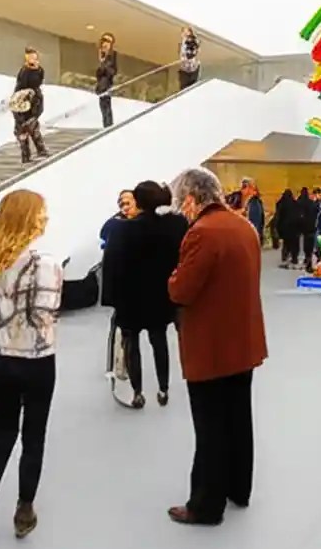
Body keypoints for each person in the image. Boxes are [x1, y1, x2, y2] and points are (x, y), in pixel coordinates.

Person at [166, 167, 267, 526]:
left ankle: (207, 504)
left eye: (182, 203)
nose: (182, 210)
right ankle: (239, 487)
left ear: (192, 199)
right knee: (239, 418)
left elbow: (182, 289)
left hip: (211, 346)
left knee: (209, 426)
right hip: (244, 341)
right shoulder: (244, 227)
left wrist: (172, 277)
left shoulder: (201, 234)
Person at [0, 190, 63, 547]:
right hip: (37, 359)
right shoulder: (47, 264)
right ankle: (24, 510)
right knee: (33, 436)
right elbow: (46, 314)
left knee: (4, 434)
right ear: (31, 219)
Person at [101, 181, 188, 408]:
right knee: (159, 341)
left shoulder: (122, 229)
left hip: (130, 298)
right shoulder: (176, 225)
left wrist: (111, 300)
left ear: (138, 201)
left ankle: (137, 391)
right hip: (161, 296)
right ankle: (163, 388)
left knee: (132, 344)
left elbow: (111, 265)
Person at [12, 47, 49, 163]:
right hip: (22, 102)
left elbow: (38, 81)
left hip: (33, 102)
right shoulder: (24, 72)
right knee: (23, 128)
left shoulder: (38, 71)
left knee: (32, 126)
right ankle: (26, 154)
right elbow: (20, 87)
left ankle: (39, 150)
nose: (32, 60)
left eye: (34, 57)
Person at [96, 33, 119, 128]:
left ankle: (109, 125)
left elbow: (113, 71)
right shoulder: (101, 55)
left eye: (109, 42)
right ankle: (106, 125)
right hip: (101, 86)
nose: (106, 44)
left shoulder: (112, 55)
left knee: (107, 106)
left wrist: (104, 63)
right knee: (103, 107)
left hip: (107, 85)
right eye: (104, 41)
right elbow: (98, 73)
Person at [275, 189, 301, 268]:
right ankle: (294, 258)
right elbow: (299, 216)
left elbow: (278, 217)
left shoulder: (280, 203)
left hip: (285, 228)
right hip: (294, 227)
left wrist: (277, 228)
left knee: (286, 243)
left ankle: (285, 257)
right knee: (295, 243)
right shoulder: (295, 203)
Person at [296, 187, 319, 271]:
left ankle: (306, 256)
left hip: (303, 225)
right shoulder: (310, 203)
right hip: (311, 226)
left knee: (305, 241)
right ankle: (308, 256)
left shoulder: (298, 202)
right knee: (310, 242)